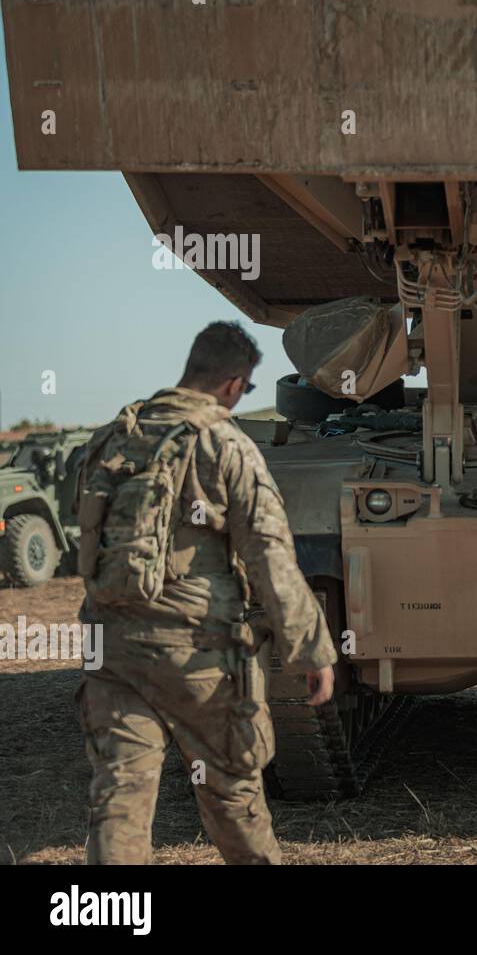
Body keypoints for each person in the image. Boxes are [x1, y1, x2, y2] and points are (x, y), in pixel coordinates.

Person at [76, 322, 338, 864]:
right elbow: (270, 556)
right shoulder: (225, 444)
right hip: (198, 652)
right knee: (233, 797)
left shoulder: (112, 436)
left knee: (119, 802)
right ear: (232, 384)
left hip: (113, 648)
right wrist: (310, 650)